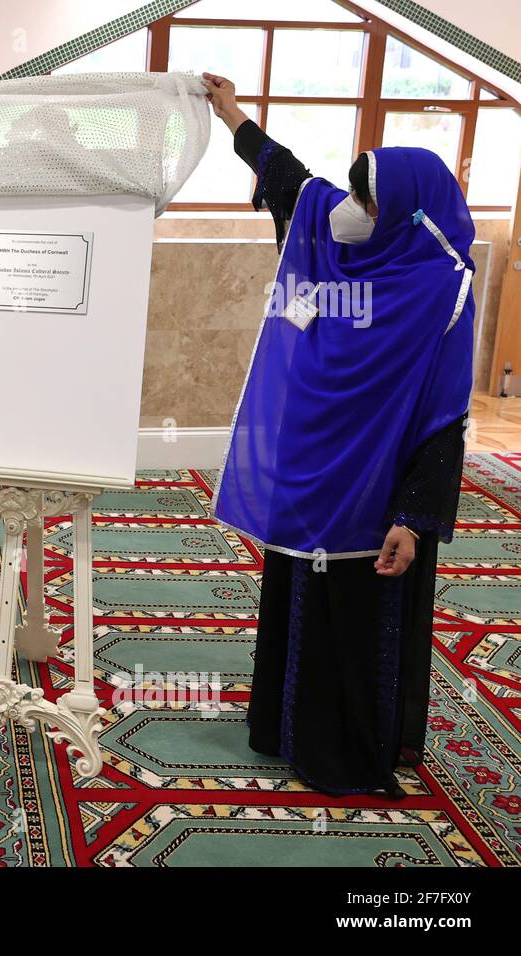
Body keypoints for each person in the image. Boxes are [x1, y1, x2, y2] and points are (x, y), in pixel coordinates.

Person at [204, 73, 475, 797]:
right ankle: (285, 727)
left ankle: (346, 746)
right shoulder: (340, 245)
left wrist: (415, 520)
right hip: (311, 469)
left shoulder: (441, 291)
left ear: (407, 214)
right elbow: (291, 181)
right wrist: (233, 115)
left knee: (356, 615)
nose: (352, 211)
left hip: (376, 495)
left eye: (369, 201)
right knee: (298, 593)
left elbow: (446, 416)